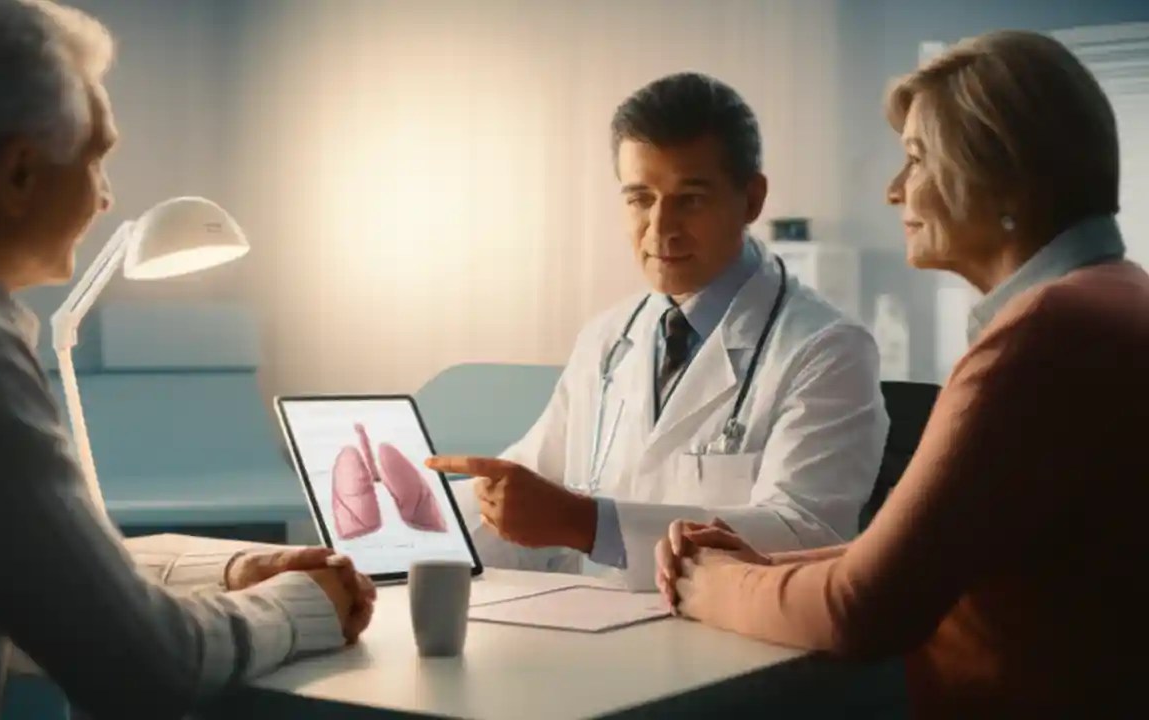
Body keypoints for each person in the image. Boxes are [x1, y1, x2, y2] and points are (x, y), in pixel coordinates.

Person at [0, 2, 374, 718]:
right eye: (97, 155)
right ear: (17, 171)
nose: (108, 197)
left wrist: (229, 570)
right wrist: (305, 605)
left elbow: (23, 563)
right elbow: (148, 666)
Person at [655, 30, 1149, 716]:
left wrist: (706, 584)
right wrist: (761, 568)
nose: (893, 191)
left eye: (916, 159)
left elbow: (863, 608)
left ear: (1001, 174)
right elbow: (923, 562)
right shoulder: (1119, 299)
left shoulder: (1039, 339)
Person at [428, 72, 889, 590]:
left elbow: (807, 536)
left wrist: (585, 524)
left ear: (752, 199)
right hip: (592, 635)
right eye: (640, 198)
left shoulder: (827, 349)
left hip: (729, 650)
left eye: (690, 198)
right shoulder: (606, 339)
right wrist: (394, 535)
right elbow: (527, 491)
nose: (660, 227)